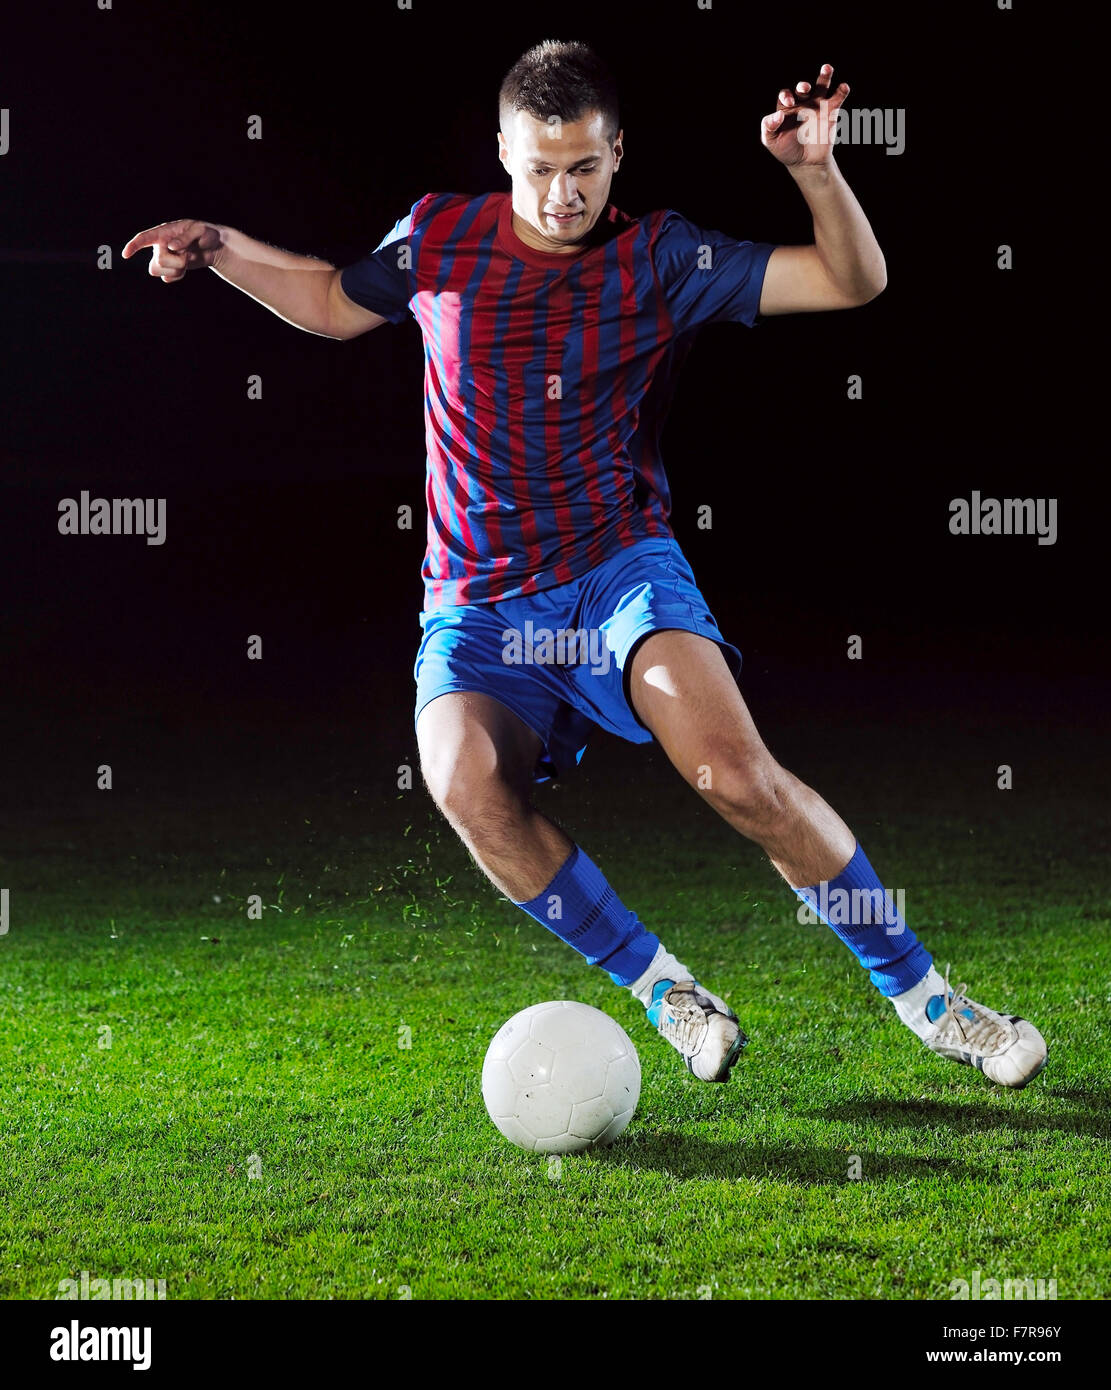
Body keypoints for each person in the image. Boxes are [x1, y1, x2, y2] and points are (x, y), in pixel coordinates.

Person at [122, 40, 1047, 1089]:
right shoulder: (439, 236)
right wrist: (222, 247)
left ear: (617, 156)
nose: (559, 196)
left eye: (584, 170)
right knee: (463, 781)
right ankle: (667, 992)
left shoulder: (660, 258)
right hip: (475, 599)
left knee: (737, 777)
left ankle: (933, 1003)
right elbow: (335, 302)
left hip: (617, 573)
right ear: (503, 152)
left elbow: (851, 279)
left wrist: (812, 169)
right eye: (537, 169)